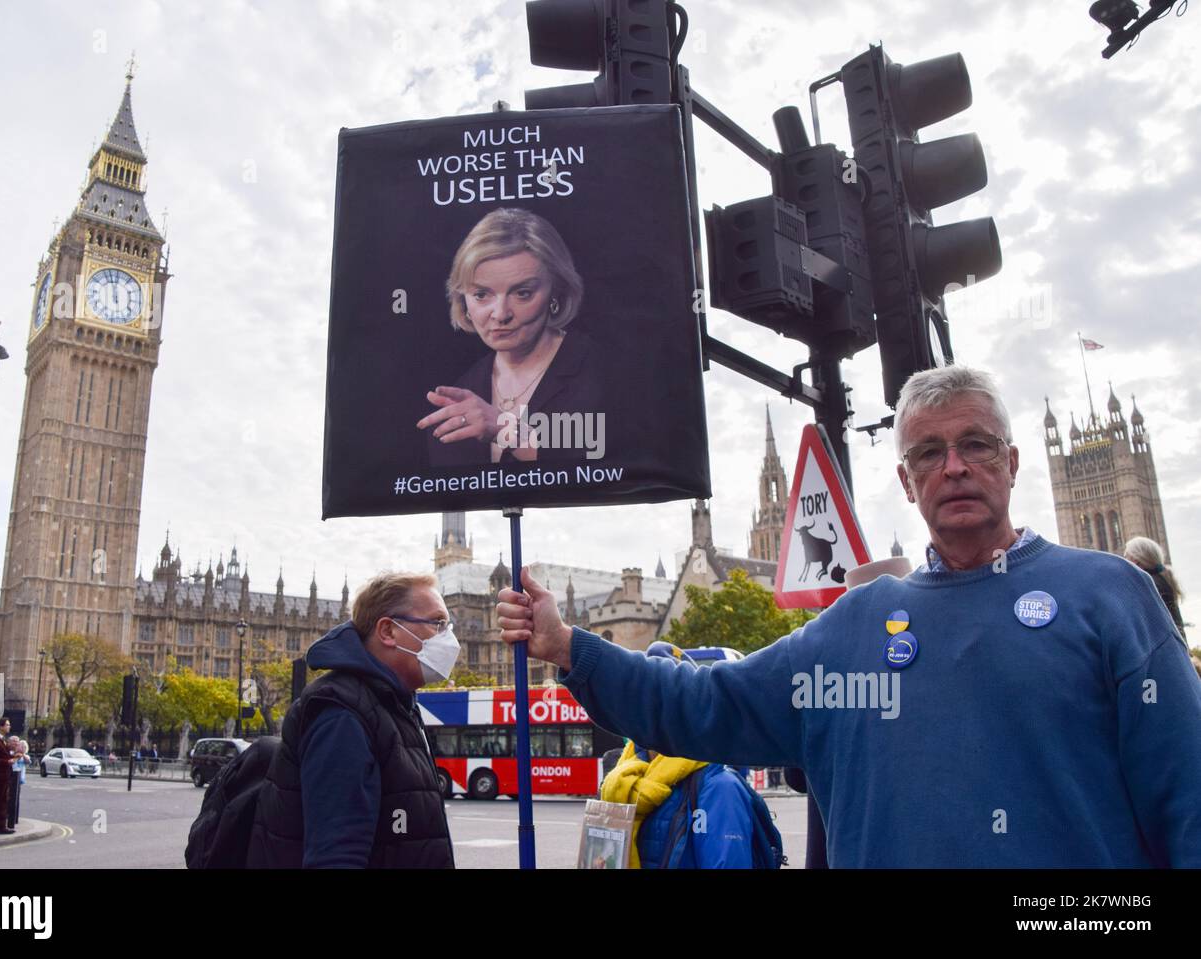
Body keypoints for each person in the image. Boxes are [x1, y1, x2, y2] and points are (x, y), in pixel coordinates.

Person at [498, 365, 1201, 868]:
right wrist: (567, 645)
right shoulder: (859, 624)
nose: (954, 466)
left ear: (1012, 462)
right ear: (906, 479)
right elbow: (704, 701)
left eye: (976, 445)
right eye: (929, 452)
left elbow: (1187, 795)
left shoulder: (1108, 595)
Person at [248, 572, 456, 868]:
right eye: (437, 623)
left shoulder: (394, 705)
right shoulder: (342, 714)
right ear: (389, 631)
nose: (448, 638)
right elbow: (336, 855)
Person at [418, 207, 607, 467]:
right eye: (481, 295)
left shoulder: (604, 371)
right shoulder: (461, 395)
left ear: (556, 292)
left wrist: (507, 432)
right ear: (464, 299)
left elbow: (613, 465)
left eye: (523, 293)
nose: (500, 314)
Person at [598, 641, 781, 869]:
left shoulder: (720, 787)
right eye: (641, 701)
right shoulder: (623, 778)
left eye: (661, 702)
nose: (647, 713)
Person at [1124, 536, 1187, 641]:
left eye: (1126, 557)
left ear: (1136, 560)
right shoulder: (1161, 580)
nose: (1123, 562)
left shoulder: (1149, 586)